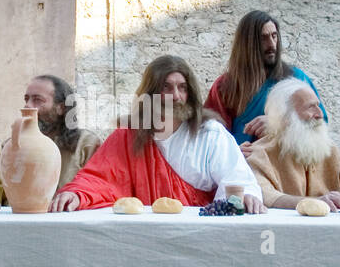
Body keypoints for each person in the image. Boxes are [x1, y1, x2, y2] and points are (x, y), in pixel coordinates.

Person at [50, 55, 264, 212]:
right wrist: (77, 194)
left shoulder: (209, 133)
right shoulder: (128, 135)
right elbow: (101, 177)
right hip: (143, 236)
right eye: (166, 87)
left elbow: (236, 180)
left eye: (182, 87)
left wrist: (246, 196)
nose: (176, 96)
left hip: (199, 234)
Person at [204, 10, 326, 148]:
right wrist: (234, 152)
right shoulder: (225, 86)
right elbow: (210, 135)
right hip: (243, 165)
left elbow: (320, 124)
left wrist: (277, 124)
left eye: (274, 36)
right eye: (263, 38)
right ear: (247, 44)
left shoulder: (296, 78)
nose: (272, 44)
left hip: (286, 166)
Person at [246, 78, 340, 210]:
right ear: (285, 116)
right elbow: (265, 195)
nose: (320, 114)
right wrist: (315, 202)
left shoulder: (331, 152)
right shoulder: (260, 154)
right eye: (310, 107)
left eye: (318, 105)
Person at [12, 75, 102, 190]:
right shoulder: (14, 145)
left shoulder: (87, 144)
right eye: (26, 99)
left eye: (37, 100)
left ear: (61, 108)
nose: (27, 106)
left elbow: (98, 188)